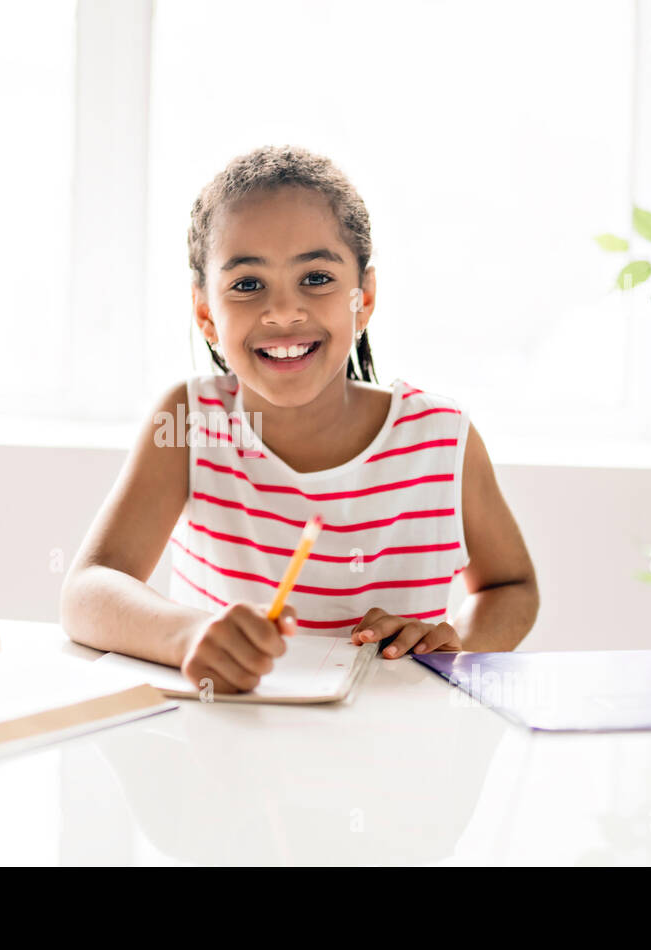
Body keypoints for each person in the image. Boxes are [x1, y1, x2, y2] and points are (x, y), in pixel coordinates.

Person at [60, 145, 538, 693]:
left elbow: (513, 586)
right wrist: (189, 635)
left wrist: (450, 644)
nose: (284, 312)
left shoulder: (440, 439)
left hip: (394, 759)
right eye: (246, 284)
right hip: (220, 750)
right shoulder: (191, 422)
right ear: (205, 313)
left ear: (365, 297)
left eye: (315, 278)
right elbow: (88, 593)